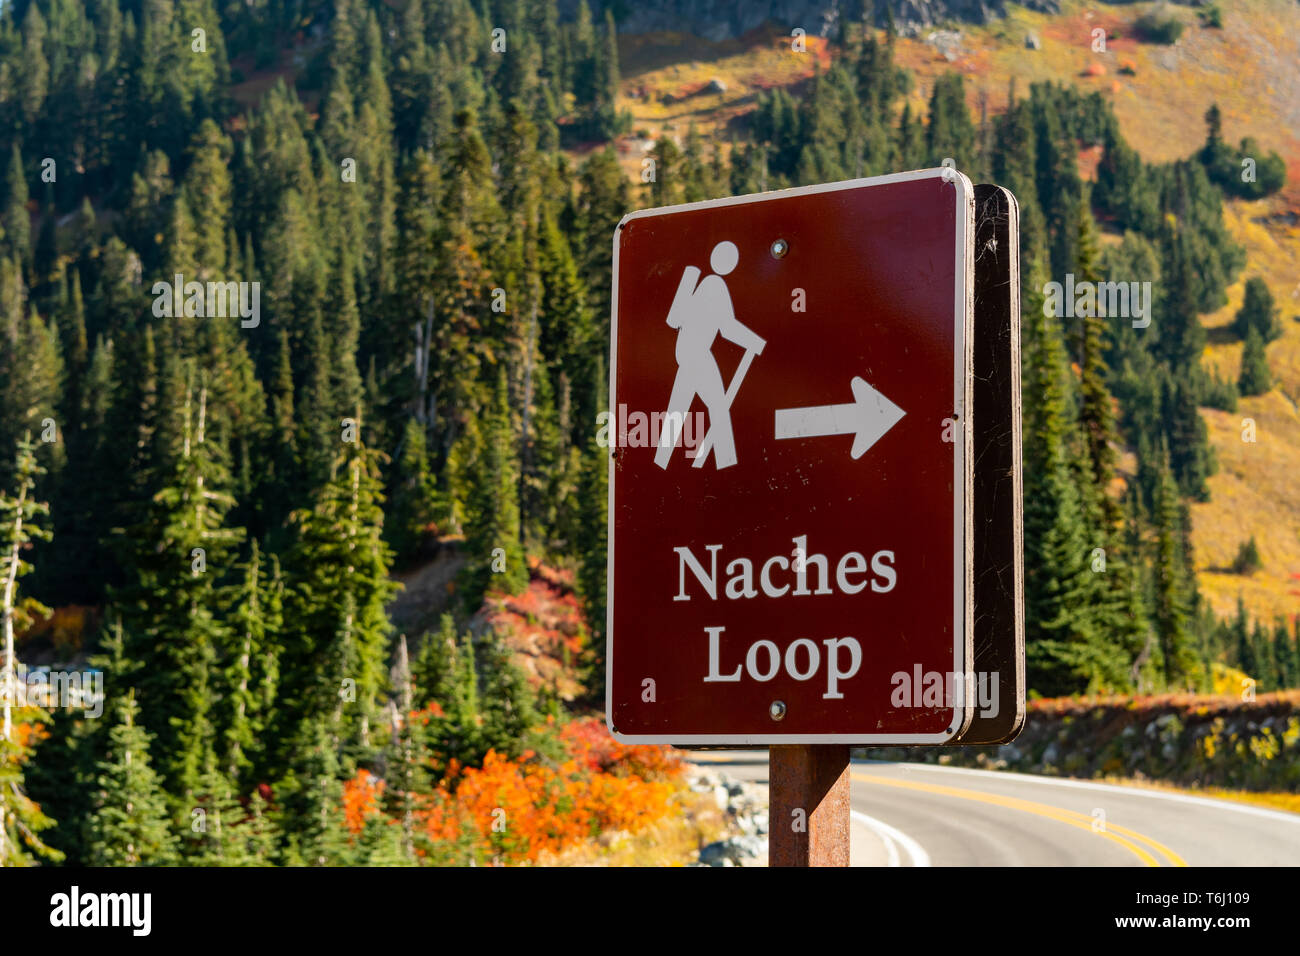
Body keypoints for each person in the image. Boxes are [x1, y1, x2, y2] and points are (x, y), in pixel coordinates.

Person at [655, 241, 765, 470]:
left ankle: (660, 462)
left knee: (678, 408)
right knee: (718, 405)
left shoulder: (703, 284)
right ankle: (727, 465)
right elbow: (727, 327)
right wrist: (756, 342)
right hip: (697, 353)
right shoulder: (715, 285)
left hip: (685, 352)